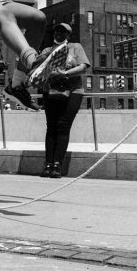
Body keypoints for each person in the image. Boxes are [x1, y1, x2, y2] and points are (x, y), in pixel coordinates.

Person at [38, 23, 90, 178]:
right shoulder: (47, 50)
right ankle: (48, 164)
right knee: (51, 127)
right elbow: (38, 69)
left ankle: (57, 165)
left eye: (63, 31)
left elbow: (83, 67)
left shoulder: (75, 47)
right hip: (50, 91)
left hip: (73, 91)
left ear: (69, 35)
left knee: (63, 126)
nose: (59, 33)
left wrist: (65, 73)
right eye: (56, 31)